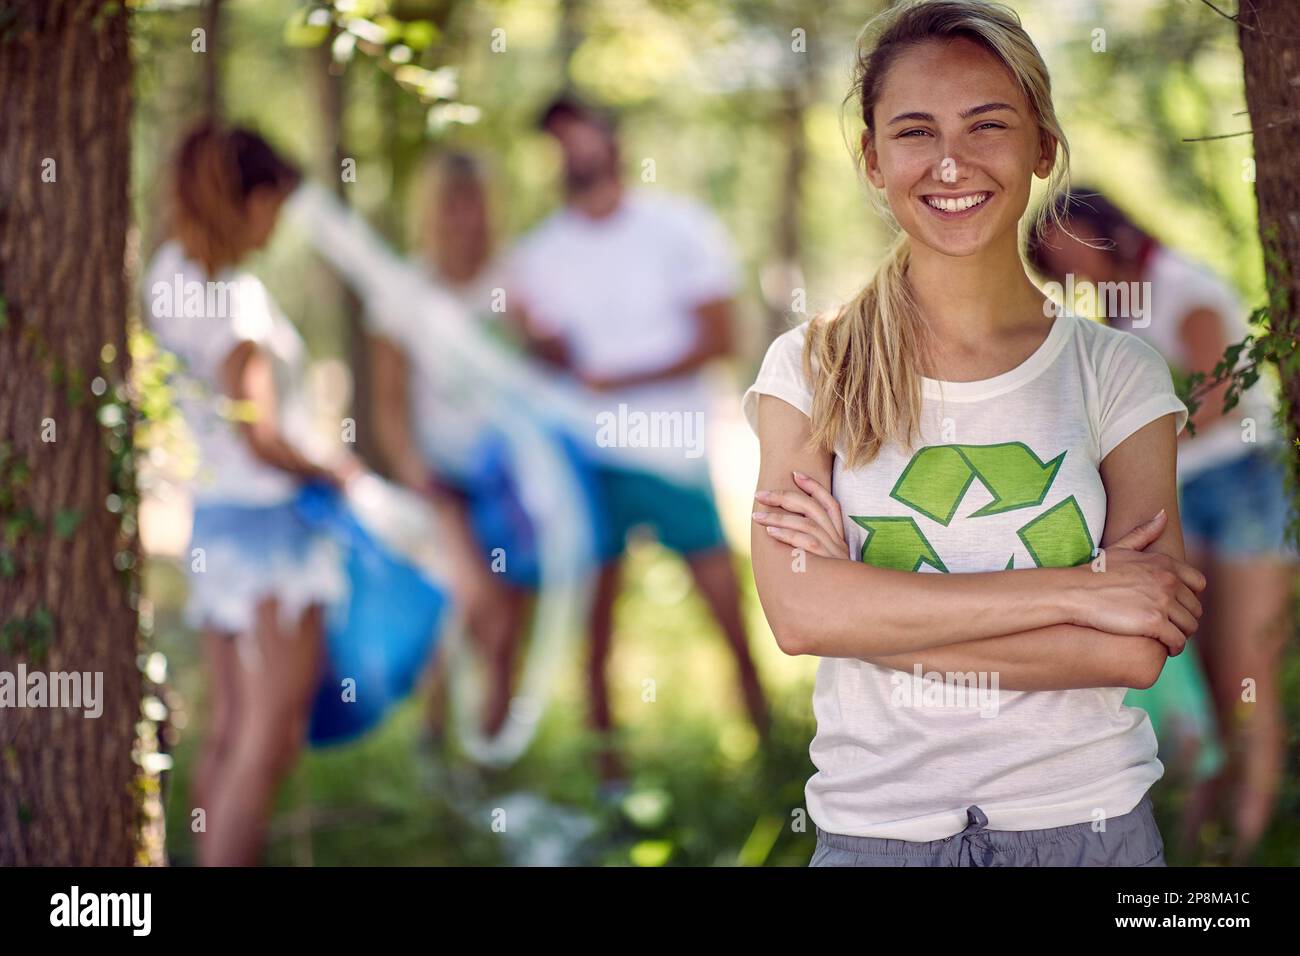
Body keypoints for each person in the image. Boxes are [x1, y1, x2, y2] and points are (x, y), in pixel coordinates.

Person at [744, 0, 1207, 866]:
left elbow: (1140, 647)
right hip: (877, 830)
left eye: (987, 124)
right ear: (873, 160)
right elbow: (800, 612)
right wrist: (1077, 593)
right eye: (914, 131)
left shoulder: (1116, 373)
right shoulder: (812, 366)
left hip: (1088, 824)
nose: (950, 162)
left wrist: (872, 618)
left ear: (1041, 146)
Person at [1027, 188, 1295, 863]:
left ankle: (1245, 848)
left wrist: (1117, 450)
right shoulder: (1115, 319)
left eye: (1072, 250)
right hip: (1181, 496)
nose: (1071, 272)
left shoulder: (1181, 285)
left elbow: (1216, 400)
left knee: (1245, 672)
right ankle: (1204, 835)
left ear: (1106, 227)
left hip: (1244, 486)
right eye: (1056, 265)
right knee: (1200, 674)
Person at [507, 95, 769, 781]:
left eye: (581, 136)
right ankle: (609, 784)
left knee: (729, 614)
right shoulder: (537, 253)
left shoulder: (680, 228)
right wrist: (543, 350)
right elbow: (541, 356)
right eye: (559, 143)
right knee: (594, 636)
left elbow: (721, 337)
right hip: (585, 462)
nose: (573, 153)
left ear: (610, 139)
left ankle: (771, 755)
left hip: (674, 454)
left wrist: (618, 378)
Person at [145, 122, 354, 866]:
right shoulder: (237, 302)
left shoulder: (168, 275)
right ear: (252, 198)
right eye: (274, 204)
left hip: (214, 522)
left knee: (233, 726)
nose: (277, 224)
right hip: (271, 533)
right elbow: (259, 433)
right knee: (269, 737)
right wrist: (337, 471)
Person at [369, 152, 527, 738]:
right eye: (450, 204)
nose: (464, 217)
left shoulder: (513, 281)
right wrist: (414, 470)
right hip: (440, 477)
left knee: (509, 617)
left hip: (510, 478)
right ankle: (435, 738)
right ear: (431, 213)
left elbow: (541, 372)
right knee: (466, 600)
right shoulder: (404, 289)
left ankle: (492, 754)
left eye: (474, 201)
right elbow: (388, 402)